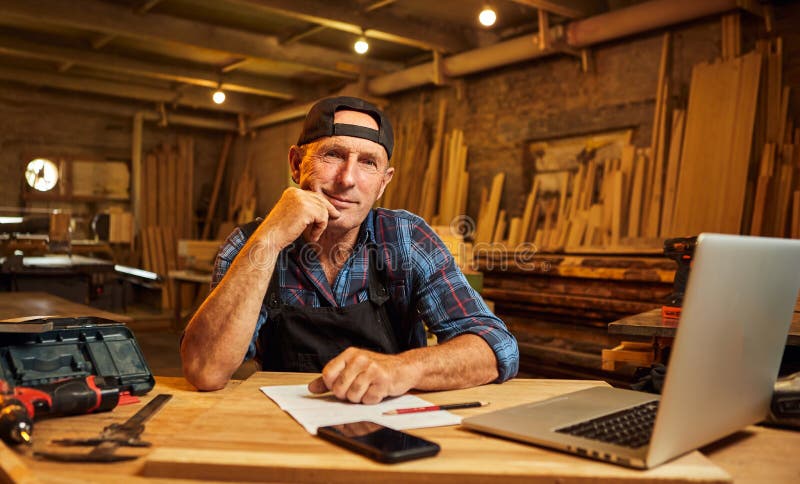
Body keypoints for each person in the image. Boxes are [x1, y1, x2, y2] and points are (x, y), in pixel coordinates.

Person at [181, 96, 519, 404]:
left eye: (368, 162)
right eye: (333, 155)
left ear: (383, 182)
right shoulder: (249, 244)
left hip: (389, 424)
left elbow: (495, 346)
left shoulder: (406, 239)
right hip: (283, 427)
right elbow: (204, 370)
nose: (347, 179)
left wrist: (403, 369)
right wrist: (268, 241)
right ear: (296, 164)